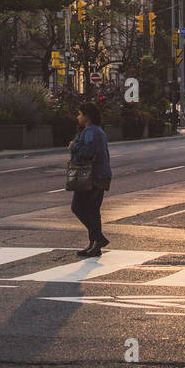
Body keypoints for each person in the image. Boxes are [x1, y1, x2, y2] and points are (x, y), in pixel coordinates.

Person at [68, 104, 112, 258]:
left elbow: (89, 152)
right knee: (93, 210)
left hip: (92, 176)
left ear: (87, 116)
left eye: (80, 114)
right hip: (101, 175)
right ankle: (94, 245)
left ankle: (98, 239)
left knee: (78, 207)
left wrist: (74, 147)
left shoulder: (90, 131)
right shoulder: (97, 130)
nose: (78, 117)